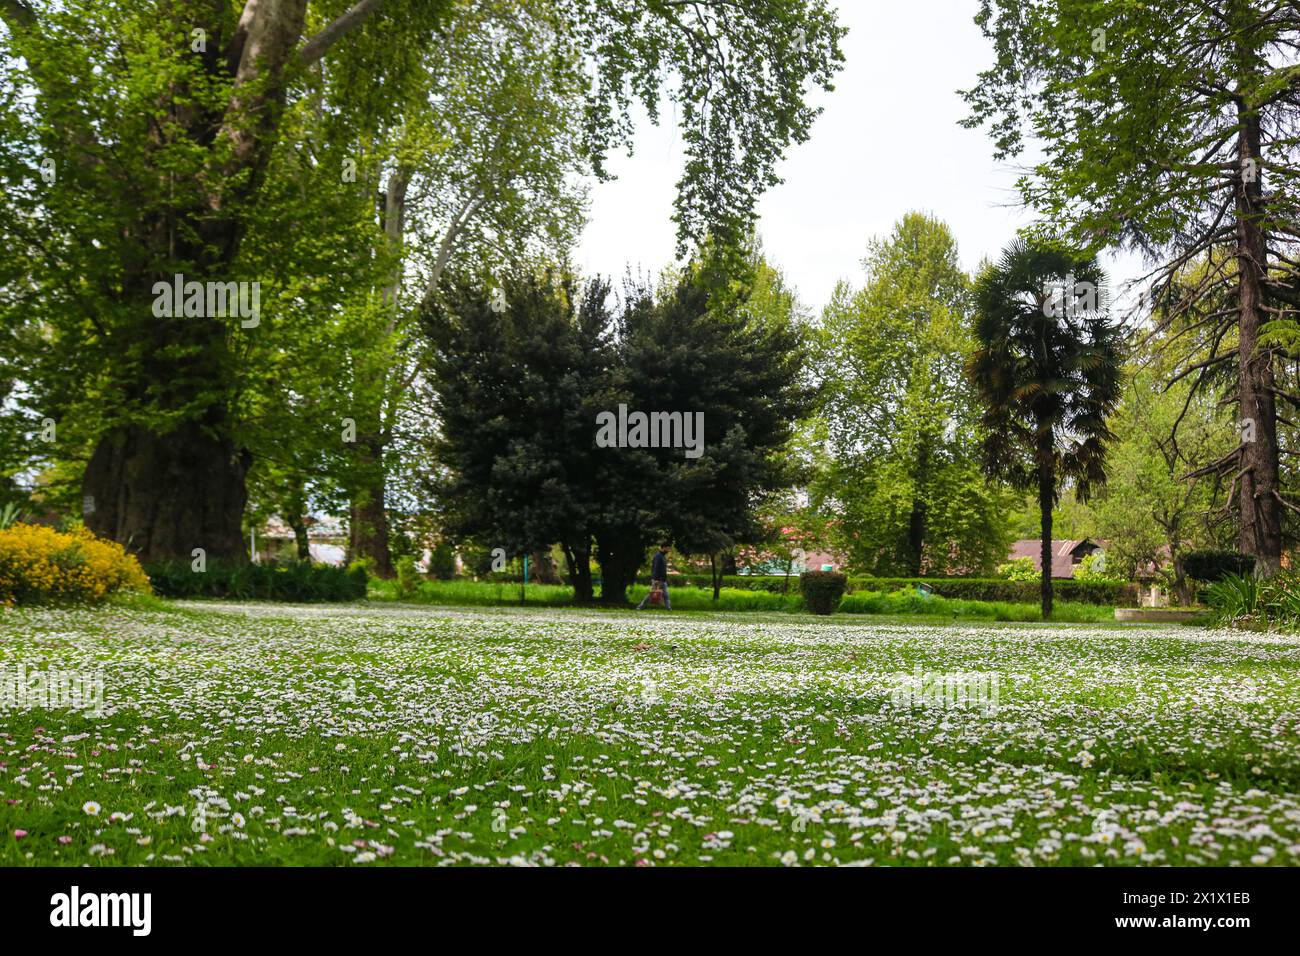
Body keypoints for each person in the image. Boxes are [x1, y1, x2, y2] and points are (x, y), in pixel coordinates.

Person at [637, 543, 672, 610]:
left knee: (666, 595)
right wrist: (655, 579)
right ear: (663, 548)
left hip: (663, 580)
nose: (669, 550)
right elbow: (655, 568)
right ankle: (640, 607)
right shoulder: (658, 556)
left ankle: (668, 608)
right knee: (651, 594)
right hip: (657, 579)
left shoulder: (663, 556)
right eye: (668, 548)